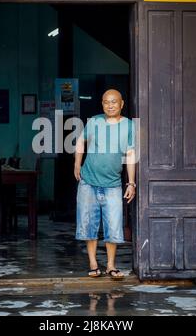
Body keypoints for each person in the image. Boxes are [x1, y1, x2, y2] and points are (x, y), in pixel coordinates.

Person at [74, 89, 136, 280]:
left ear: (121, 104)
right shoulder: (94, 122)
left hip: (113, 183)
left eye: (114, 102)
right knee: (88, 223)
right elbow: (80, 141)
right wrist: (77, 163)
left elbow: (130, 154)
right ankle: (93, 263)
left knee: (113, 225)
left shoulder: (129, 125)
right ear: (102, 104)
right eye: (106, 102)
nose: (110, 105)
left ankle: (110, 265)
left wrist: (131, 183)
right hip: (88, 181)